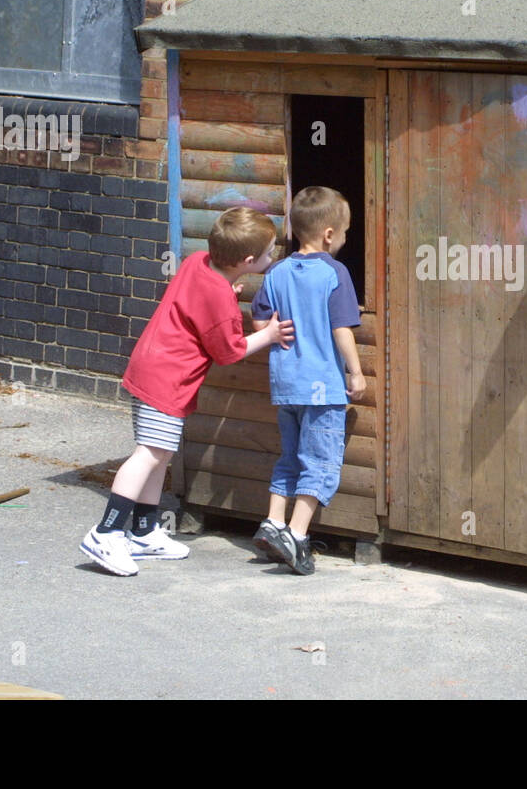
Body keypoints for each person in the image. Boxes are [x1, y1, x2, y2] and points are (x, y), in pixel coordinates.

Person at [79, 207, 293, 576]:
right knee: (147, 454)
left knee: (160, 455)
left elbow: (199, 297)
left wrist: (226, 290)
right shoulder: (223, 300)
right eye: (269, 253)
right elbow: (230, 353)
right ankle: (107, 531)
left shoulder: (197, 261)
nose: (272, 257)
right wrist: (270, 335)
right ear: (247, 261)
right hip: (167, 381)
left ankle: (143, 532)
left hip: (150, 368)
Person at [250, 186, 366, 575]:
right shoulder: (335, 274)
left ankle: (274, 522)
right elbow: (341, 330)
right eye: (347, 232)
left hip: (286, 386)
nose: (346, 240)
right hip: (322, 388)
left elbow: (261, 322)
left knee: (290, 457)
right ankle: (297, 535)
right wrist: (356, 372)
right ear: (330, 234)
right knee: (320, 463)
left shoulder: (277, 272)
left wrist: (278, 335)